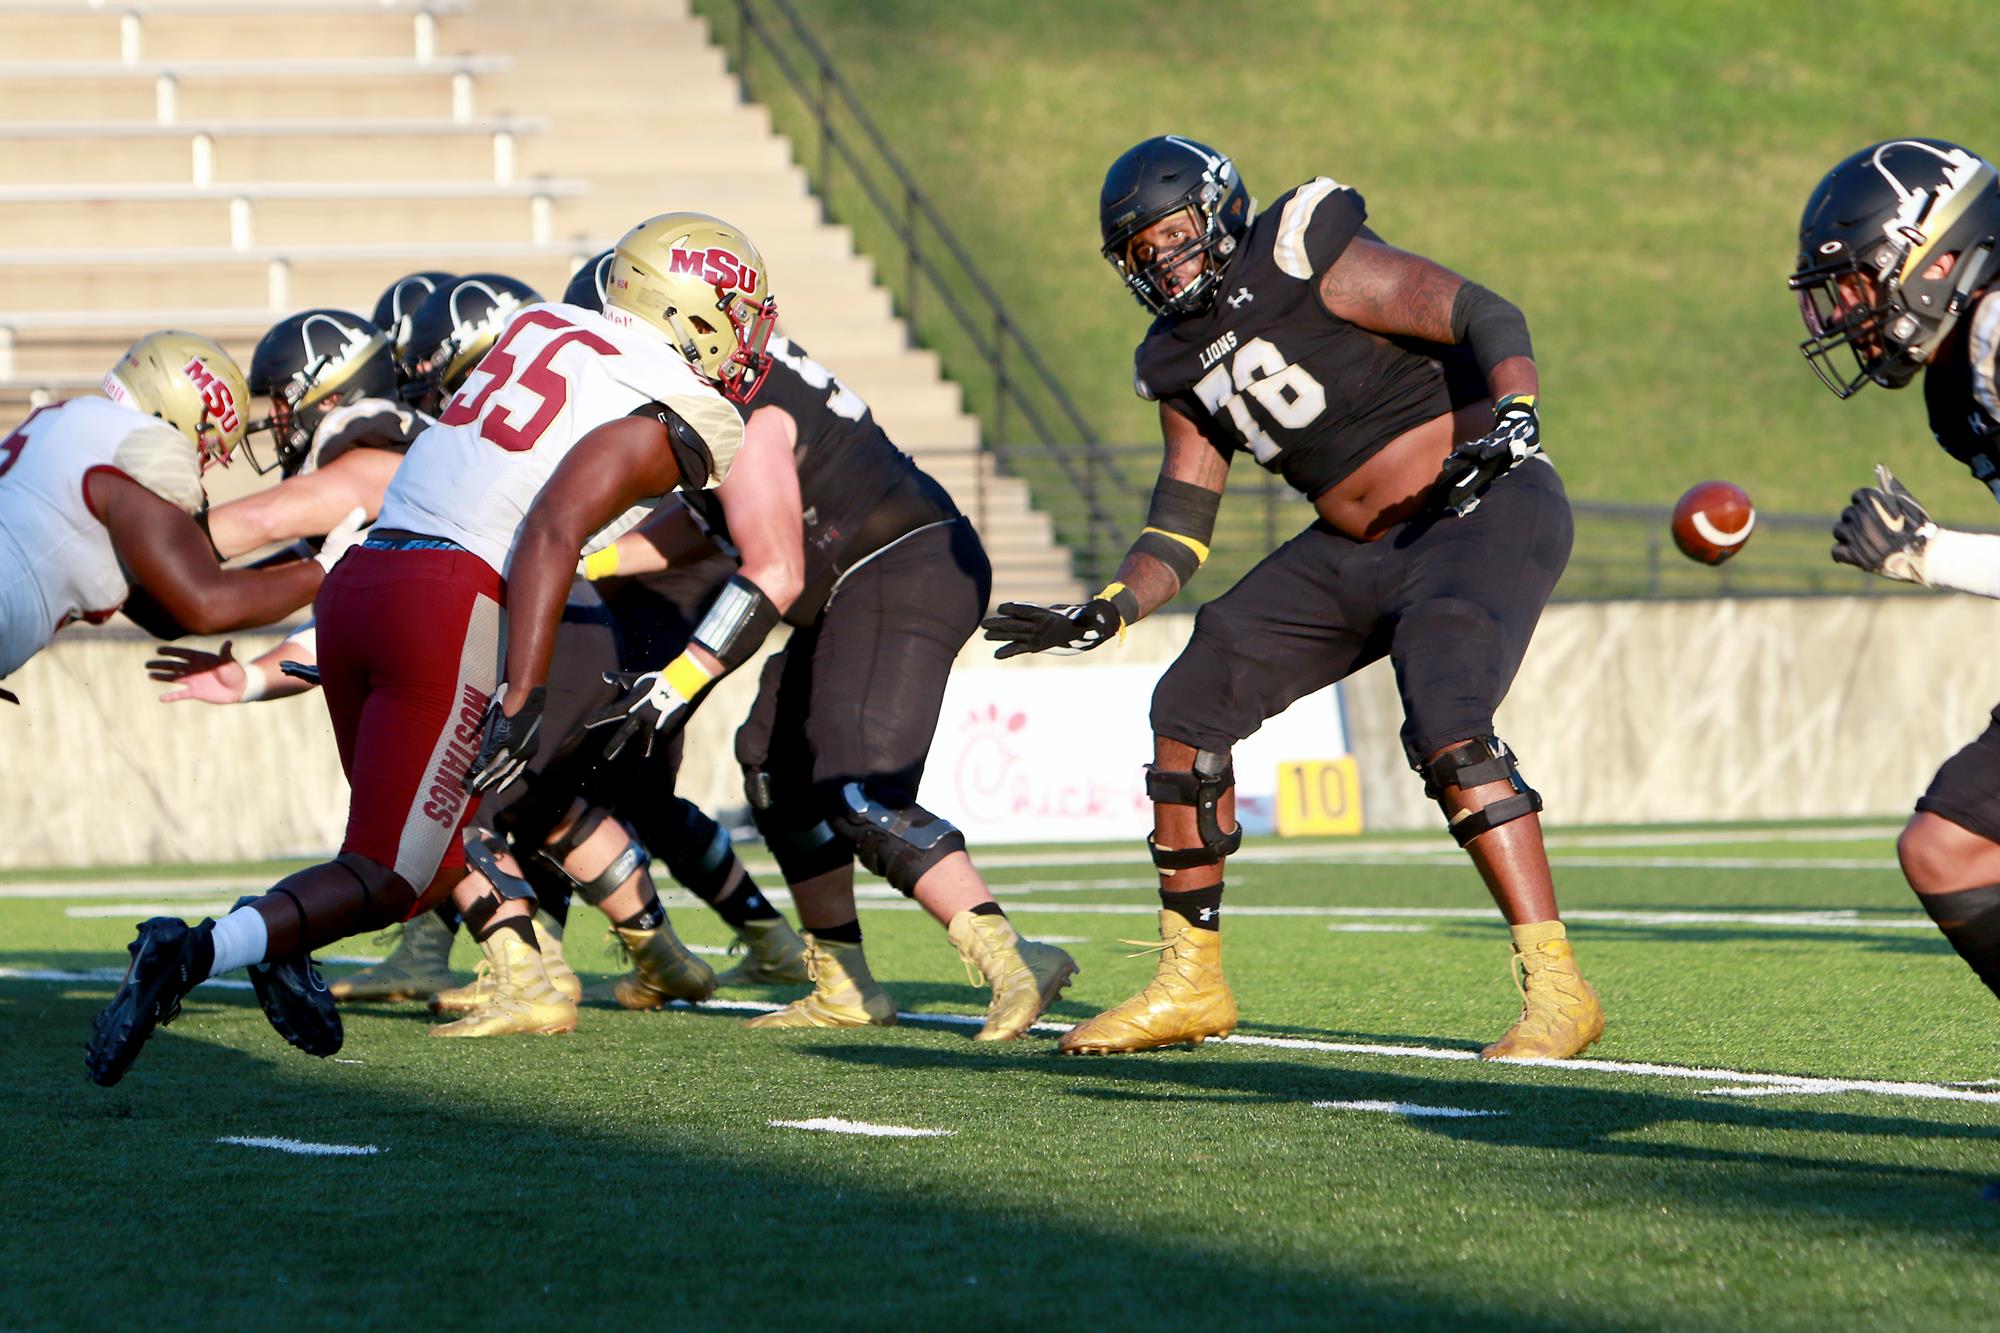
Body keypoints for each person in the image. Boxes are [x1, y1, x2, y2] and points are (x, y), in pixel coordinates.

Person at [83, 222, 748, 1084]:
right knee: (391, 875)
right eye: (737, 309)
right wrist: (524, 693)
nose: (748, 329)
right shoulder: (666, 403)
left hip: (362, 581)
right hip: (446, 600)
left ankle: (278, 938)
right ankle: (193, 951)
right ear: (690, 310)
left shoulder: (542, 326)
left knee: (429, 854)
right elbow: (552, 527)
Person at [983, 135, 1601, 1059]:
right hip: (1358, 547)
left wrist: (1516, 413)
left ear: (1220, 210)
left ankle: (1558, 988)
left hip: (1477, 503)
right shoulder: (1172, 360)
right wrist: (1110, 606)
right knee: (1191, 699)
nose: (1162, 260)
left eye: (1173, 234)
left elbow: (1482, 310)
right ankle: (1190, 980)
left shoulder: (1301, 247)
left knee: (1447, 719)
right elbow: (1179, 524)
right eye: (1142, 251)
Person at [472, 221, 1077, 1040]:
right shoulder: (724, 377)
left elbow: (773, 570)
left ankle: (1012, 955)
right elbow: (711, 524)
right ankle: (845, 982)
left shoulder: (739, 404)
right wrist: (592, 560)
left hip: (900, 564)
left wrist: (675, 683)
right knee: (772, 766)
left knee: (859, 787)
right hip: (865, 578)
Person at [1792, 138, 2000, 1010]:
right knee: (1948, 847)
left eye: (1854, 283)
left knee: (1950, 846)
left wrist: (1929, 554)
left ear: (1937, 256)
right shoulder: (1956, 385)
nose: (1843, 312)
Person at [1, 331, 353, 691]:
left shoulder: (71, 422)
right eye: (209, 447)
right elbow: (206, 604)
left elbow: (163, 612)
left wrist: (305, 565)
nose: (203, 464)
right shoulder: (147, 448)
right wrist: (329, 570)